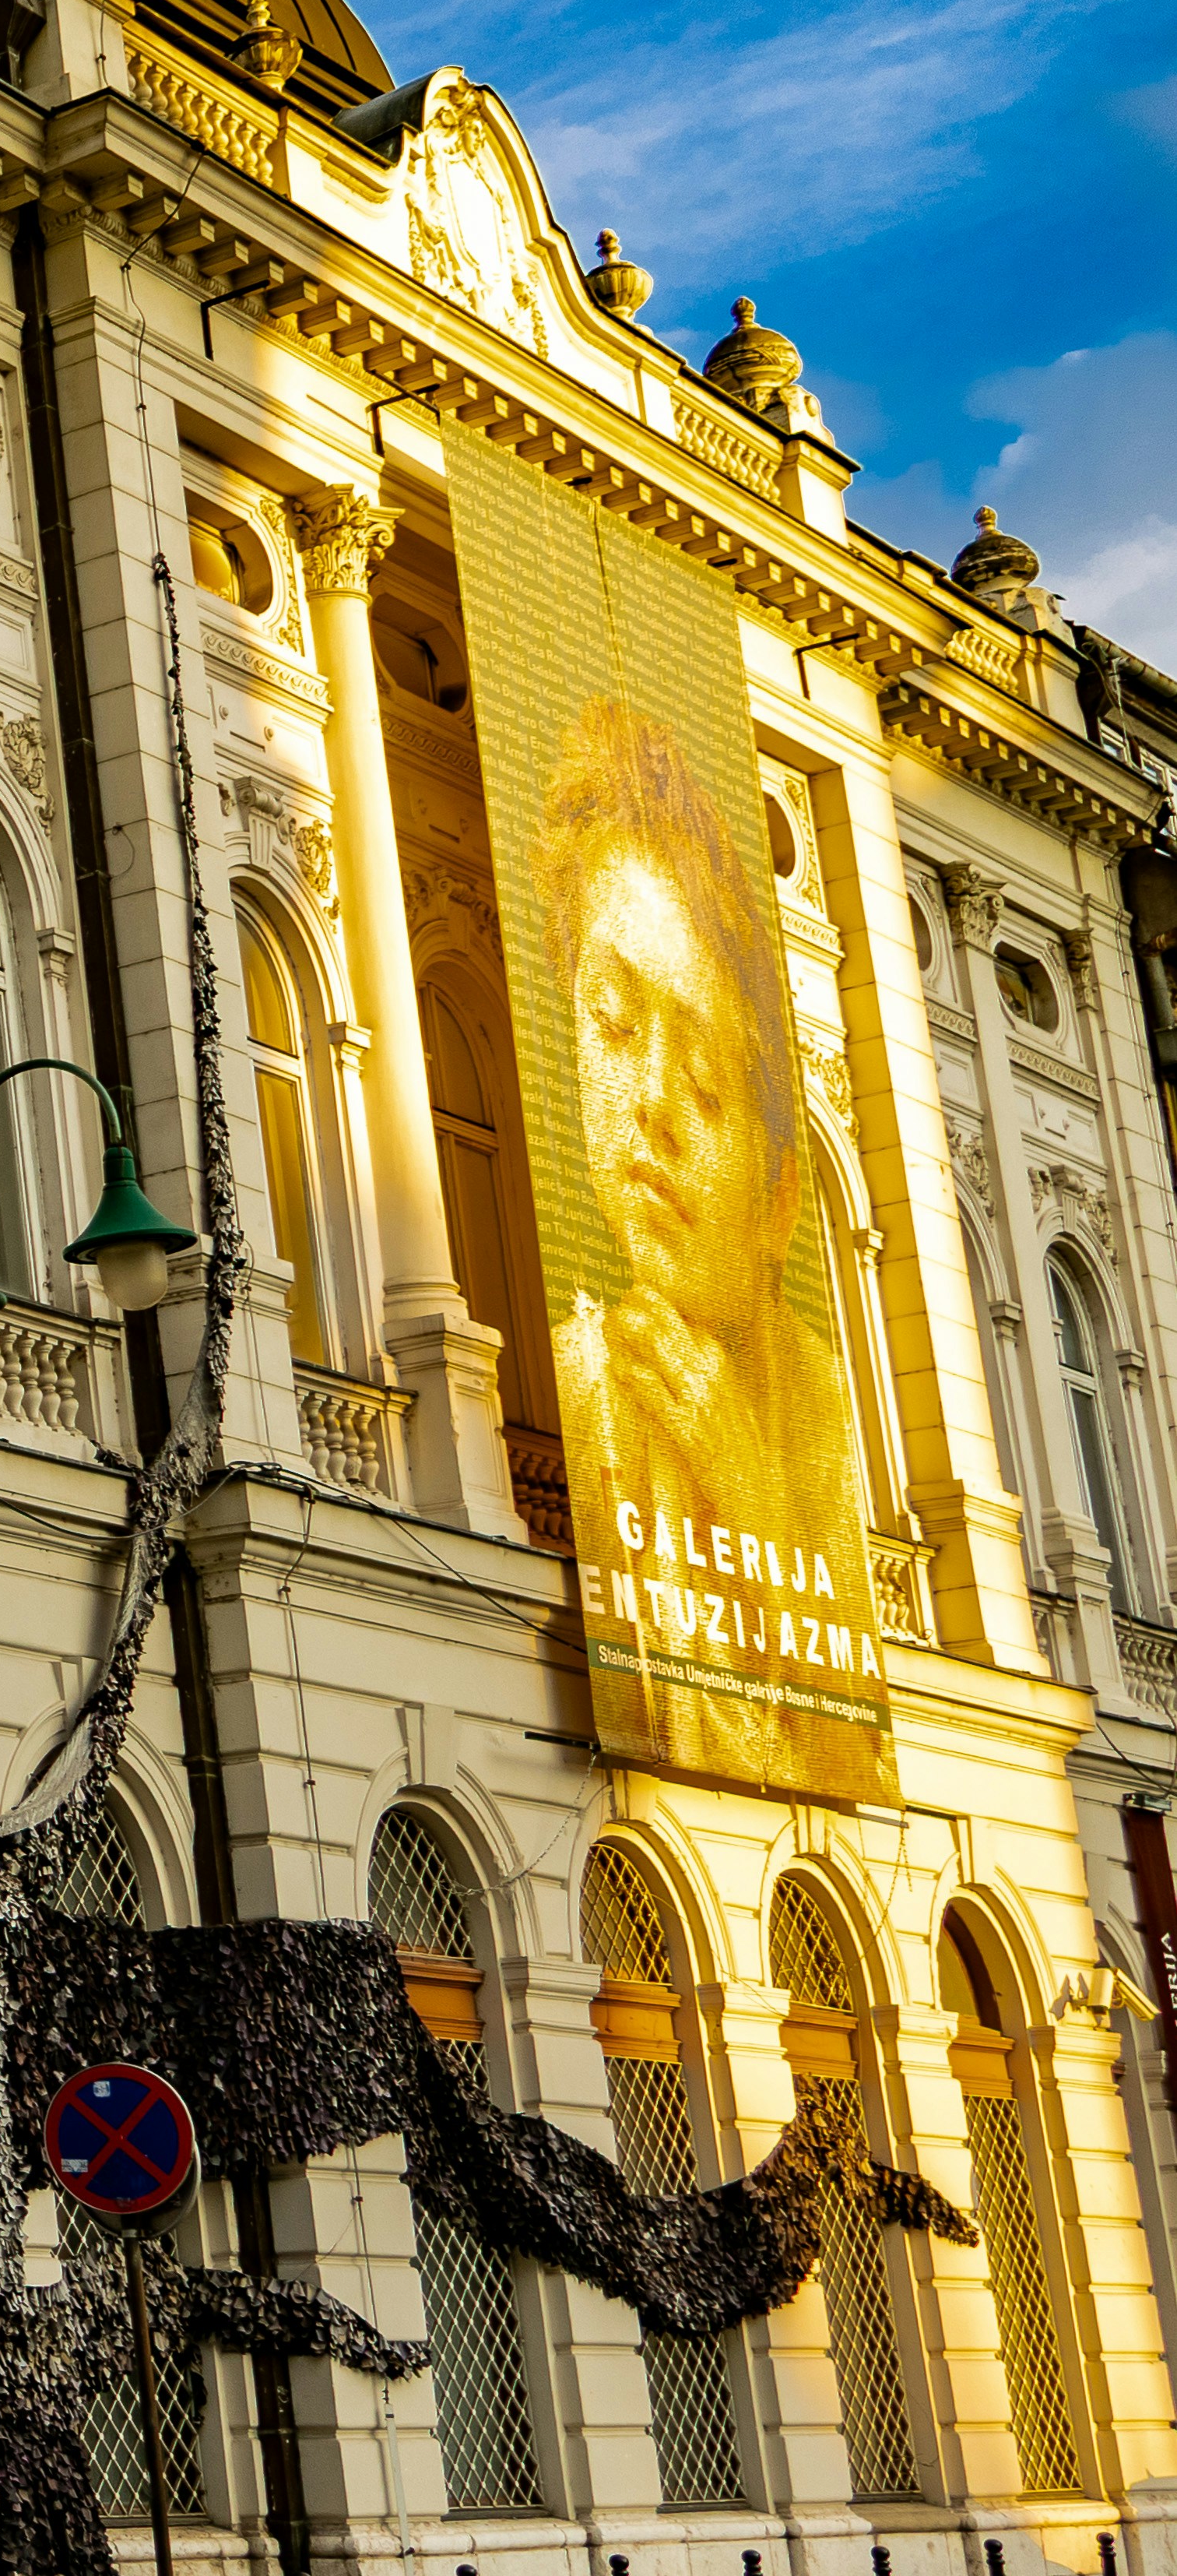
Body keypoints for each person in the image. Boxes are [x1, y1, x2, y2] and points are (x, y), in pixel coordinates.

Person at [538, 698, 889, 1803]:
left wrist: (749, 1488)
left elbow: (846, 1774)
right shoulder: (579, 1378)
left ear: (781, 1195)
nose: (646, 1103)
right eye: (608, 1020)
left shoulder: (821, 1408)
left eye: (699, 1081)